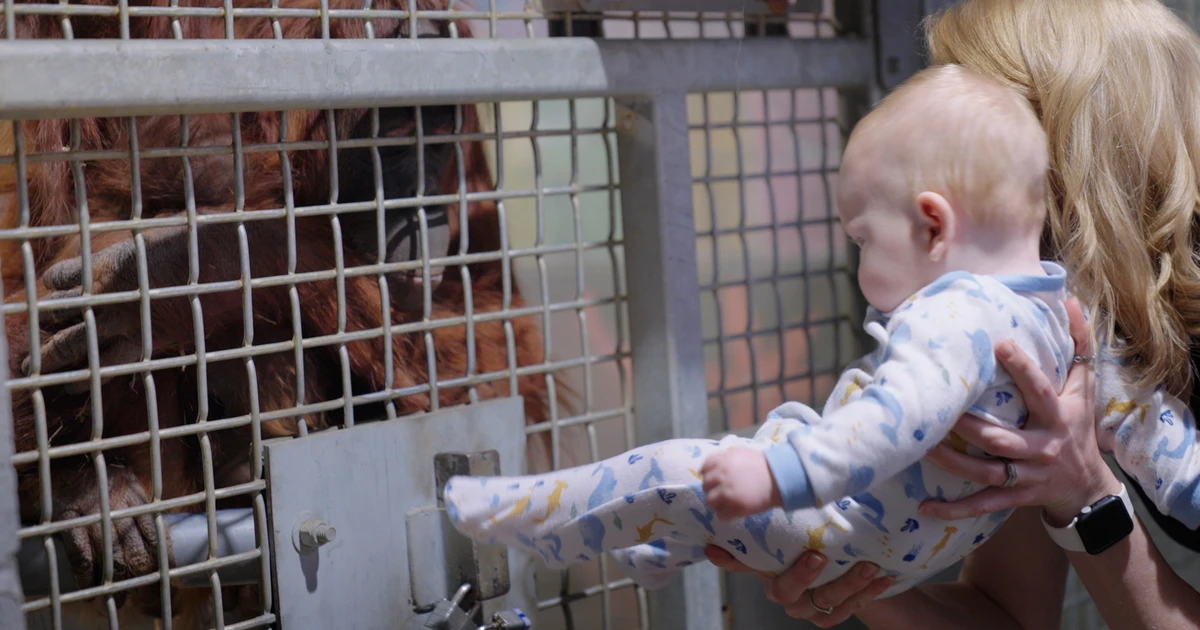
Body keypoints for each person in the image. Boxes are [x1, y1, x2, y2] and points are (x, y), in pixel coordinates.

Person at [441, 63, 1197, 602]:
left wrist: (779, 479)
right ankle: (662, 546)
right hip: (908, 548)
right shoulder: (1066, 320)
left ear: (933, 224)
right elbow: (1155, 435)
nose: (861, 262)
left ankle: (527, 521)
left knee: (674, 467)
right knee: (763, 445)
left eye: (863, 238)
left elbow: (888, 425)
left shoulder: (954, 314)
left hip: (844, 521)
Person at [705, 1, 1200, 627]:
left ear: (1069, 154)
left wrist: (1085, 497)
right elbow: (1006, 615)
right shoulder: (1027, 316)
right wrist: (840, 566)